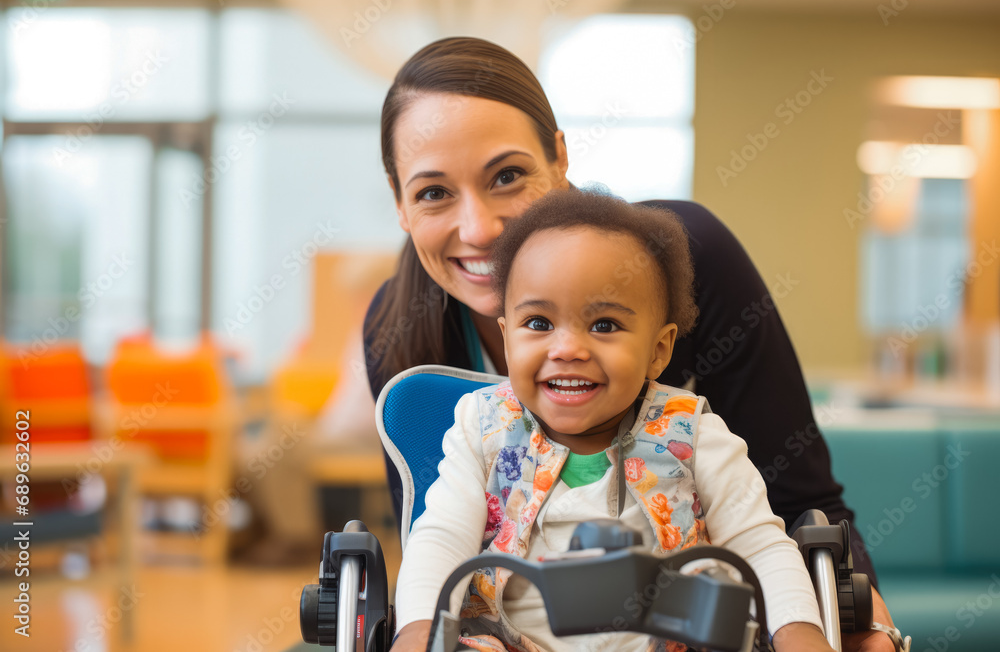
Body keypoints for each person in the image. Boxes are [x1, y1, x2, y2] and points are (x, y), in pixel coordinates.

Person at [363, 36, 897, 651]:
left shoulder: (689, 380)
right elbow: (434, 540)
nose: (479, 228)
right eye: (433, 191)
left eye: (508, 175)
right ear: (400, 203)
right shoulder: (416, 358)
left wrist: (854, 625)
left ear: (559, 157)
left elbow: (791, 510)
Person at [391, 190, 835, 652]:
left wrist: (800, 633)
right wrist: (417, 631)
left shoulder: (694, 433)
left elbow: (760, 547)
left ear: (659, 350)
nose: (567, 349)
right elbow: (441, 540)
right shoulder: (481, 427)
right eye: (539, 323)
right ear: (507, 339)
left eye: (603, 325)